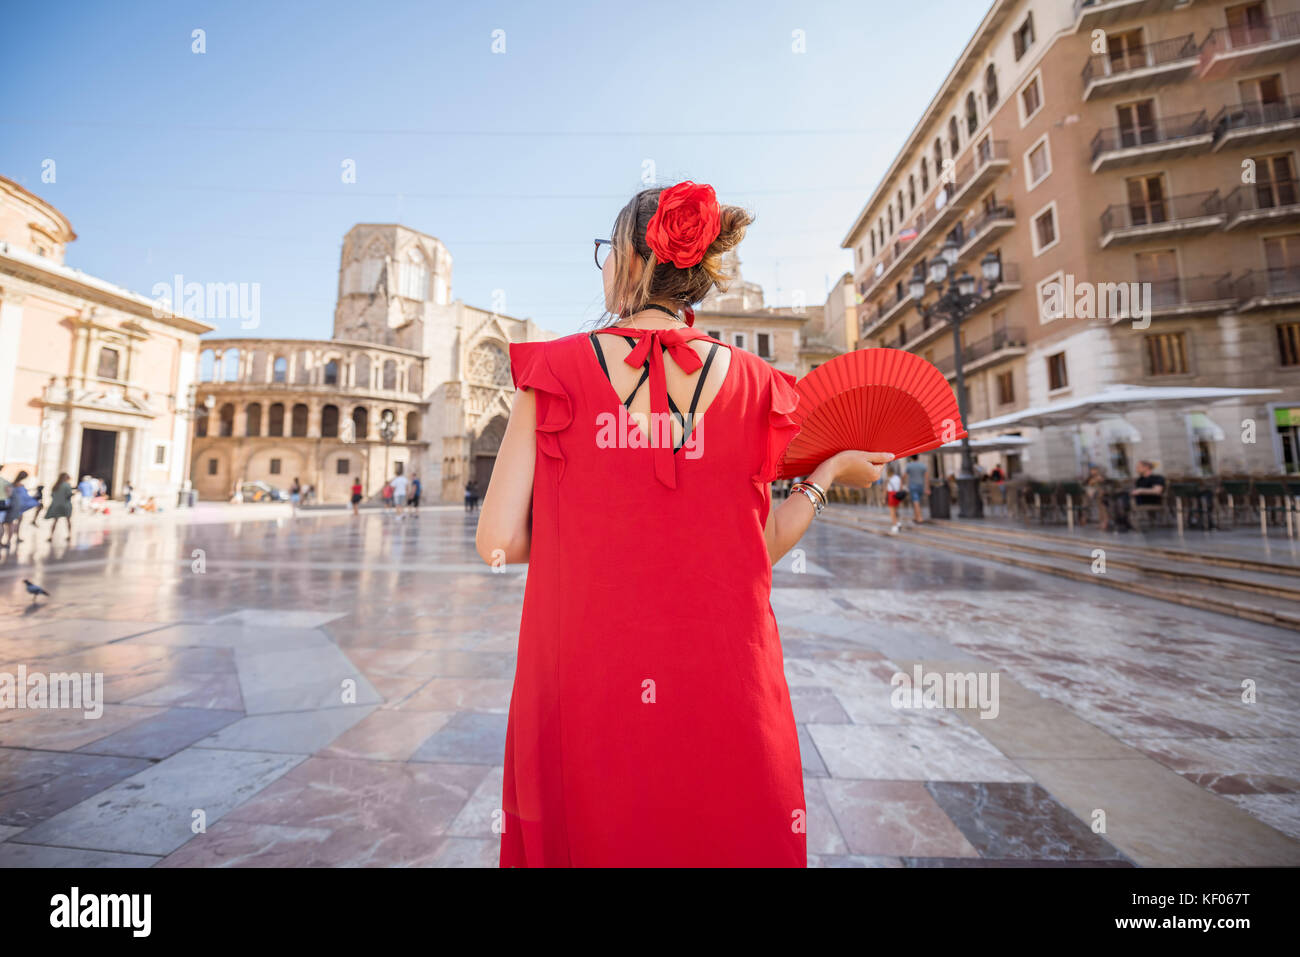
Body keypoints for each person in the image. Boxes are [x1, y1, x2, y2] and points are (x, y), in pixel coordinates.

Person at [475, 181, 892, 867]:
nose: (604, 266)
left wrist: (590, 534)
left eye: (608, 251)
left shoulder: (550, 371)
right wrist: (825, 476)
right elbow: (756, 549)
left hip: (585, 679)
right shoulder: (761, 385)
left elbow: (495, 541)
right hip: (727, 681)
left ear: (635, 262)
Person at [1, 470, 38, 547]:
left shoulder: (12, 484)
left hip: (14, 505)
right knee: (11, 523)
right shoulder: (17, 485)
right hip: (17, 506)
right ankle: (10, 541)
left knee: (10, 523)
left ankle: (13, 538)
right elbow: (17, 495)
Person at [46, 472, 74, 541]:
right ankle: (69, 535)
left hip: (56, 505)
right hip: (65, 505)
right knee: (68, 521)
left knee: (55, 521)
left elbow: (52, 495)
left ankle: (51, 536)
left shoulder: (56, 485)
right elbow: (69, 495)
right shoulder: (67, 485)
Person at [904, 455, 927, 525]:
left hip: (913, 486)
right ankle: (916, 517)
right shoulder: (923, 466)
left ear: (911, 458)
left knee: (915, 501)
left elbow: (904, 476)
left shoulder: (909, 465)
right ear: (918, 457)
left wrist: (903, 484)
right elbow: (926, 477)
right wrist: (927, 488)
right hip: (921, 486)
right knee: (917, 501)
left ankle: (920, 518)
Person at [886, 467, 906, 534]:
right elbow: (901, 487)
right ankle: (898, 523)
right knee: (896, 511)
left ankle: (895, 526)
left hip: (891, 495)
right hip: (897, 495)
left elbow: (886, 489)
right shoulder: (898, 478)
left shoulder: (889, 479)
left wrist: (883, 498)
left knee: (892, 512)